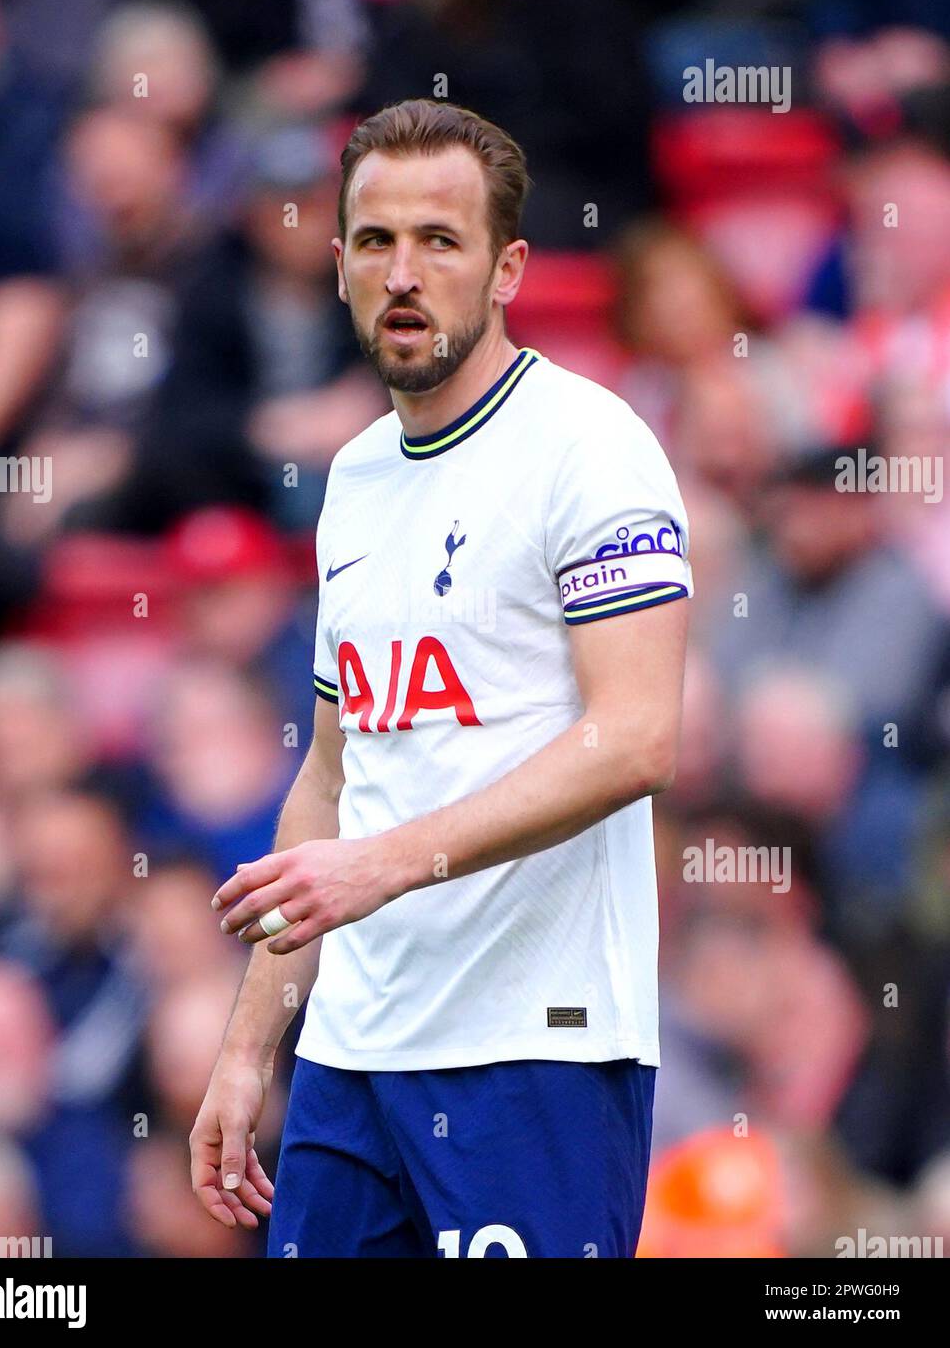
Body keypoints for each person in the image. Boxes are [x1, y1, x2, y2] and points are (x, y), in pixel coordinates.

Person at [190, 99, 693, 1259]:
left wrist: (385, 863)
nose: (402, 273)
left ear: (508, 266)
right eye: (374, 241)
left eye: (439, 240)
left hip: (536, 1048)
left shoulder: (589, 446)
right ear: (337, 267)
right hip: (352, 1059)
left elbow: (636, 739)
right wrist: (246, 1047)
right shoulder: (357, 476)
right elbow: (330, 775)